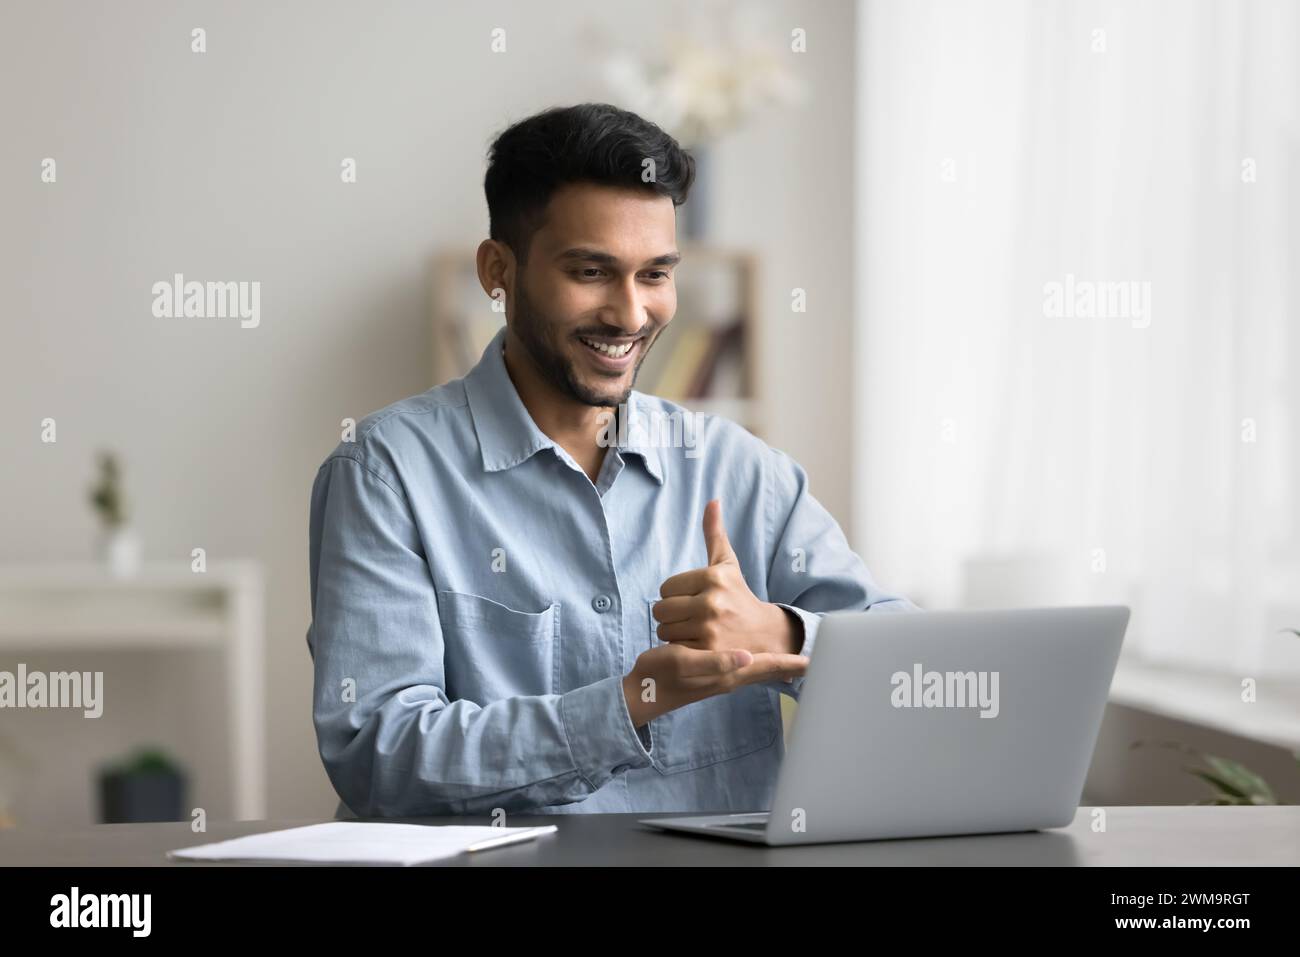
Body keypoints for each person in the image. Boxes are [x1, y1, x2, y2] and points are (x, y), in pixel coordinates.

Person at [306, 103, 916, 818]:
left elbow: (913, 672)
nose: (630, 314)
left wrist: (781, 632)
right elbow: (380, 751)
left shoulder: (740, 471)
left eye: (655, 274)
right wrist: (633, 701)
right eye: (592, 271)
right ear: (498, 270)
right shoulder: (386, 473)